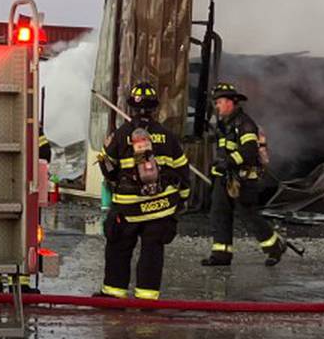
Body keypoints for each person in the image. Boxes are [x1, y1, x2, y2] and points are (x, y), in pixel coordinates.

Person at [98, 79, 188, 301]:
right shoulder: (168, 136)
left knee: (118, 248)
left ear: (131, 107)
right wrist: (181, 201)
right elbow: (183, 172)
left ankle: (114, 294)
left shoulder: (121, 134)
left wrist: (116, 182)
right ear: (154, 108)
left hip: (129, 208)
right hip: (160, 208)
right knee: (152, 252)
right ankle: (147, 297)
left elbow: (107, 166)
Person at [204, 80, 287, 268]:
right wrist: (218, 166)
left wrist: (228, 162)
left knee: (248, 215)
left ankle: (275, 247)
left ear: (230, 102)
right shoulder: (223, 124)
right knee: (219, 214)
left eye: (219, 102)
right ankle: (221, 255)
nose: (217, 106)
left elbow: (249, 150)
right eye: (215, 103)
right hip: (225, 178)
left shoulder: (245, 123)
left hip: (242, 180)